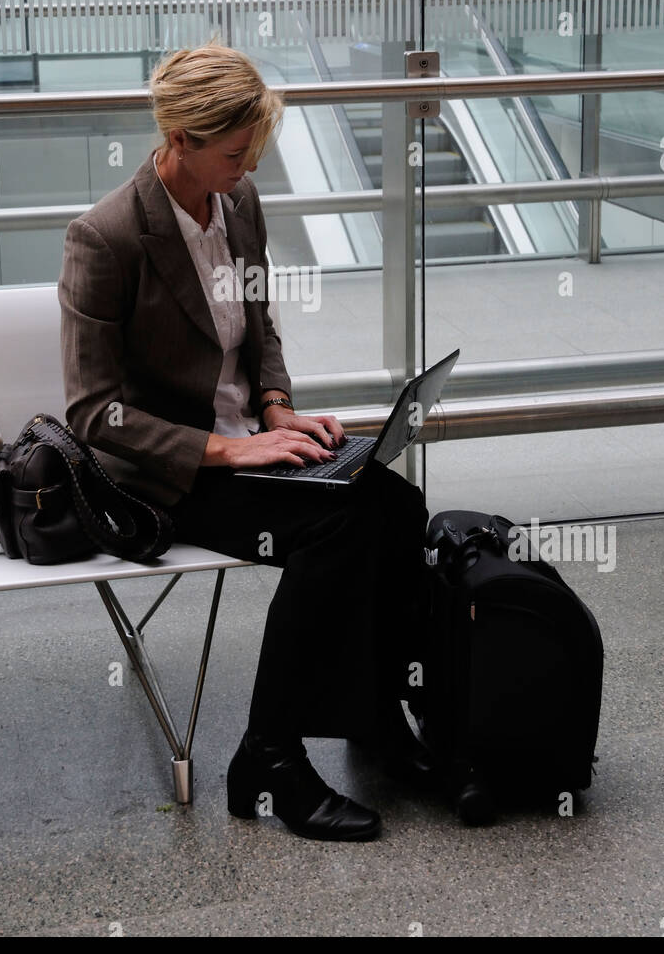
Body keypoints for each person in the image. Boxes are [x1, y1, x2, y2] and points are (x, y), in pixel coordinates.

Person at [58, 42, 431, 842]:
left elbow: (257, 321)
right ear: (181, 139)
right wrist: (229, 450)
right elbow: (94, 414)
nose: (248, 165)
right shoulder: (106, 238)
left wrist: (276, 408)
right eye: (234, 152)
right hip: (164, 474)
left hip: (246, 444)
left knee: (396, 504)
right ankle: (268, 758)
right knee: (339, 524)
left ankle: (373, 723)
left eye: (254, 150)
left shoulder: (239, 202)